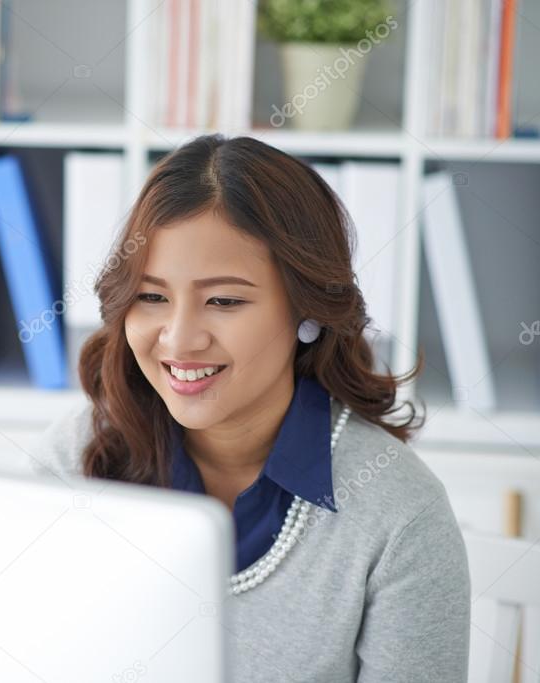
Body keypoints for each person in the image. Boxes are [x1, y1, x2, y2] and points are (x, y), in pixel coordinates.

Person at [31, 134, 470, 681]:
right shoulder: (72, 459)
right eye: (152, 297)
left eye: (224, 300)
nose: (180, 339)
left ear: (308, 311)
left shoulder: (400, 515)